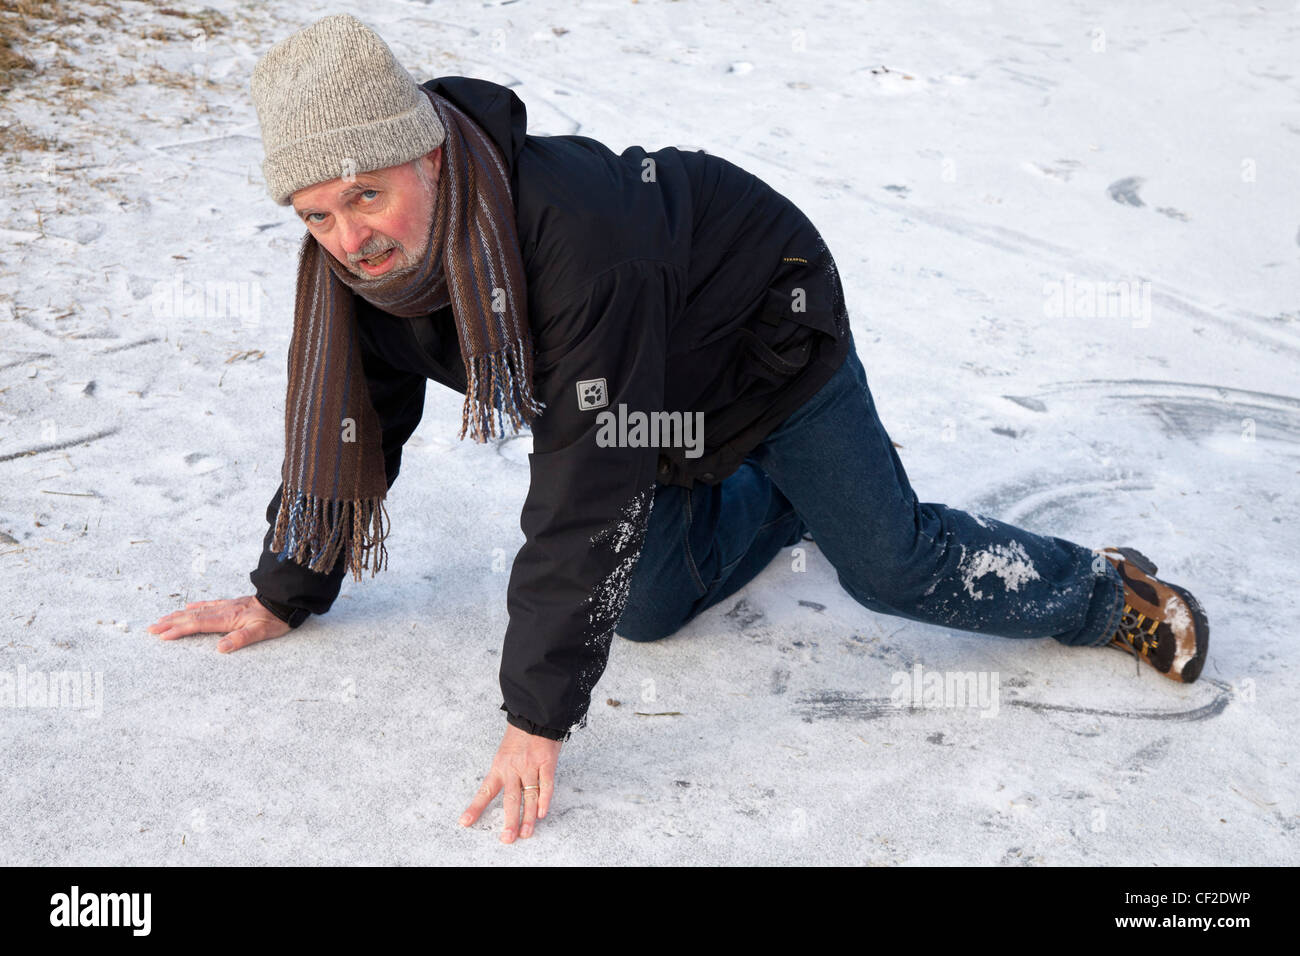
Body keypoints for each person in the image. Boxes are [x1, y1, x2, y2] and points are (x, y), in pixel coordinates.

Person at [146, 14, 1210, 844]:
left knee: (889, 564)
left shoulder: (575, 239)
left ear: (424, 155)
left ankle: (1105, 593)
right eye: (315, 214)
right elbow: (356, 419)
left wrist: (536, 713)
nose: (347, 237)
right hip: (643, 384)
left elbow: (584, 486)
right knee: (647, 604)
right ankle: (791, 490)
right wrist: (288, 587)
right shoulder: (373, 274)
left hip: (759, 337)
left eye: (363, 195)